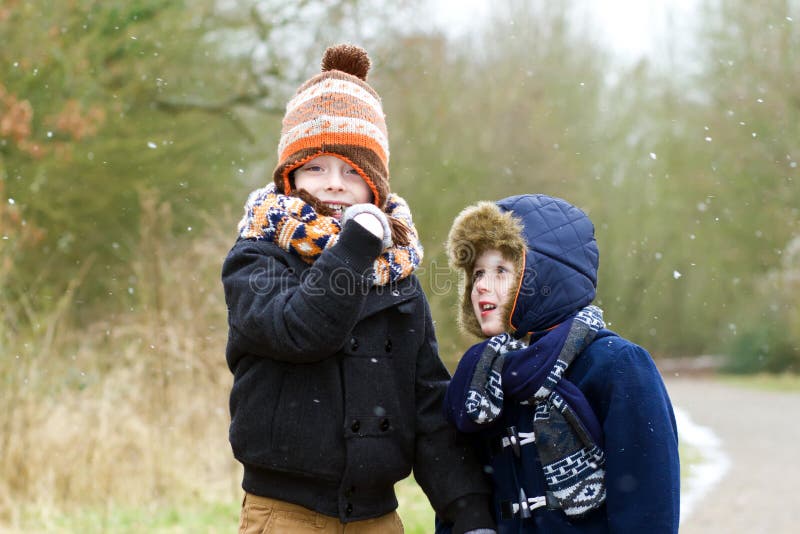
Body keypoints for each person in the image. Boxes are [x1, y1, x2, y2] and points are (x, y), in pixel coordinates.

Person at [221, 44, 495, 534]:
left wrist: (468, 510)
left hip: (377, 517)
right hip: (285, 514)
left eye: (353, 171)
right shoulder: (257, 258)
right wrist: (356, 244)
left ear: (376, 188)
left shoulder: (399, 279)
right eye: (316, 168)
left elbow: (429, 405)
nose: (334, 184)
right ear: (289, 176)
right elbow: (299, 331)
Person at [438, 194, 680, 533]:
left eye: (500, 270)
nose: (480, 285)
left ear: (544, 277)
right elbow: (458, 498)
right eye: (477, 272)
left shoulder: (617, 365)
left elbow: (649, 510)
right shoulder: (481, 377)